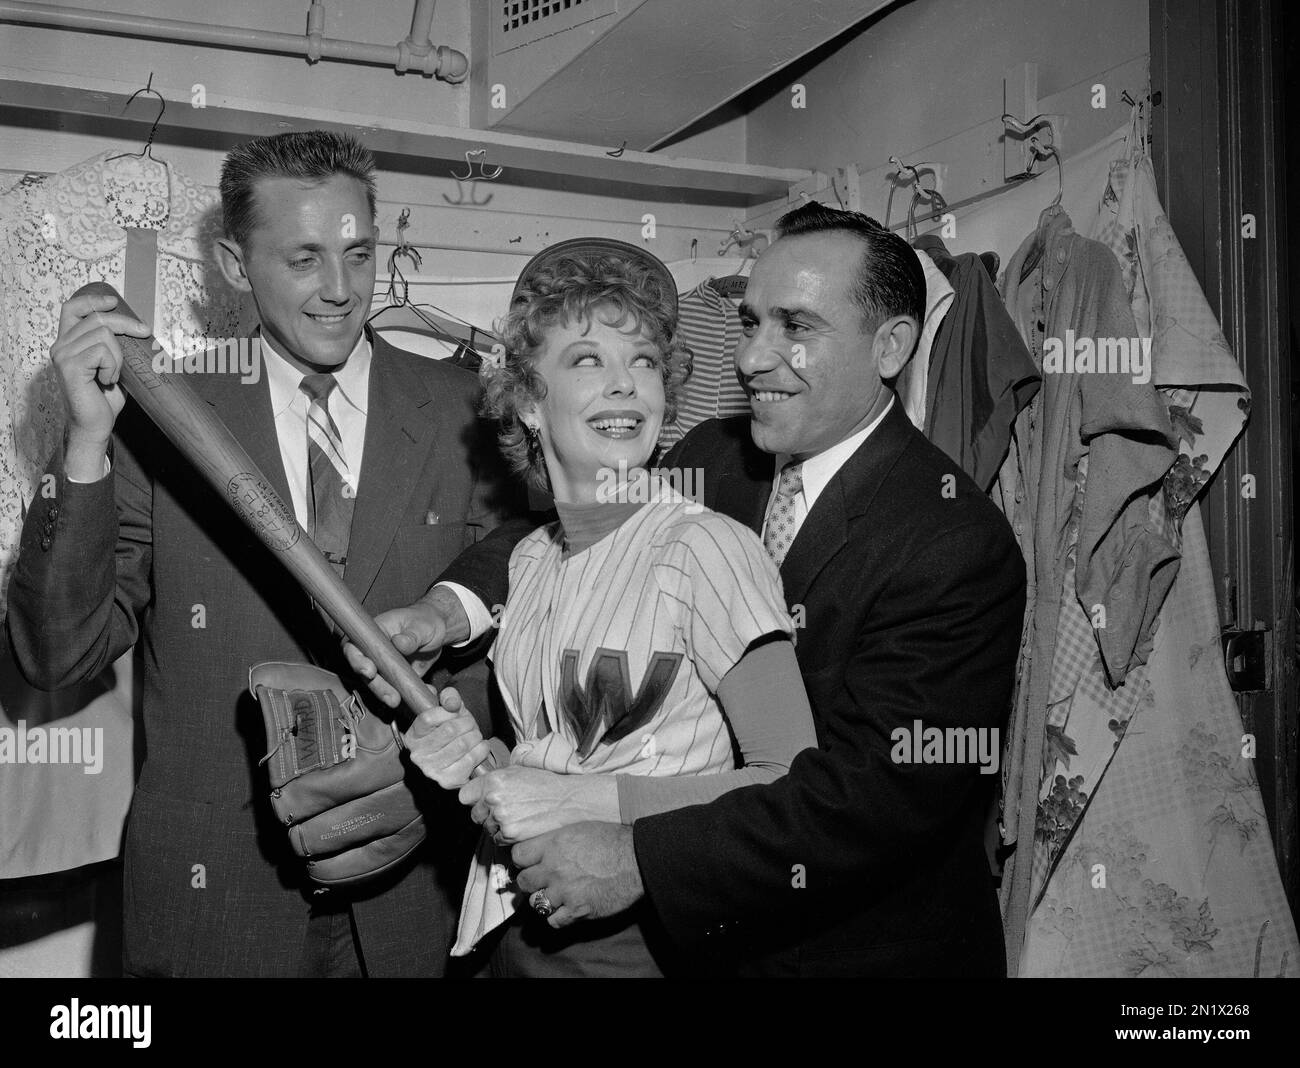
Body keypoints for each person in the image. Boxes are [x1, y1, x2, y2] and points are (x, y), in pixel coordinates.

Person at [361, 204, 1027, 976]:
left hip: (856, 952)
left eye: (795, 327)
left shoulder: (954, 541)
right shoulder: (721, 453)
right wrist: (446, 613)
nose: (752, 359)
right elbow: (578, 524)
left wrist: (636, 852)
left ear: (891, 346)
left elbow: (871, 801)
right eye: (750, 324)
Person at [5, 130, 523, 977]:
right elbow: (59, 652)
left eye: (360, 254)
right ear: (234, 266)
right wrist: (85, 447)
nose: (342, 290)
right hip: (216, 901)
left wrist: (450, 627)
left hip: (413, 894)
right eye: (305, 259)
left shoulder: (464, 407)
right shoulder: (162, 417)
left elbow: (525, 560)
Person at [353, 238, 818, 977]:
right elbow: (549, 763)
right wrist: (478, 765)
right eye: (589, 361)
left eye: (643, 362)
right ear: (530, 403)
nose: (627, 386)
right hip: (517, 928)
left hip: (647, 941)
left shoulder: (704, 547)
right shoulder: (531, 562)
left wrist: (590, 804)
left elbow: (789, 784)